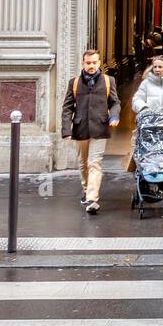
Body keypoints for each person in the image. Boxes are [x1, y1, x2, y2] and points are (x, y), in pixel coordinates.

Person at [62, 48, 121, 214]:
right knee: (83, 164)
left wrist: (114, 116)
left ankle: (92, 198)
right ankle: (87, 190)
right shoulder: (73, 82)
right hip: (80, 128)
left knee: (94, 163)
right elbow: (67, 108)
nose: (91, 66)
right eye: (88, 63)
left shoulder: (109, 81)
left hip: (100, 128)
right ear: (83, 63)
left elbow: (115, 102)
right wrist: (66, 130)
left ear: (99, 63)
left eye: (94, 62)